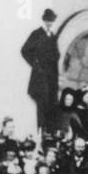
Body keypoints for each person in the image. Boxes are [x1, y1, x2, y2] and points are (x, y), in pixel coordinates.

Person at [20, 8, 60, 137]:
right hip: (40, 77)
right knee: (42, 104)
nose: (49, 23)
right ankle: (41, 132)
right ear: (44, 20)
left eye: (52, 21)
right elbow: (25, 50)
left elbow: (56, 55)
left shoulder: (53, 37)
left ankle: (50, 133)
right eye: (48, 20)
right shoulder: (37, 34)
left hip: (51, 77)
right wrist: (35, 64)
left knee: (51, 104)